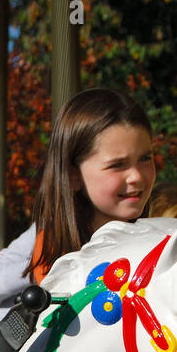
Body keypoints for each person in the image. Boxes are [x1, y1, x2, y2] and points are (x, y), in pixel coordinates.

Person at [27, 87, 156, 279]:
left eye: (145, 158)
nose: (136, 176)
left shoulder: (164, 238)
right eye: (117, 165)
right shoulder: (56, 253)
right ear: (74, 176)